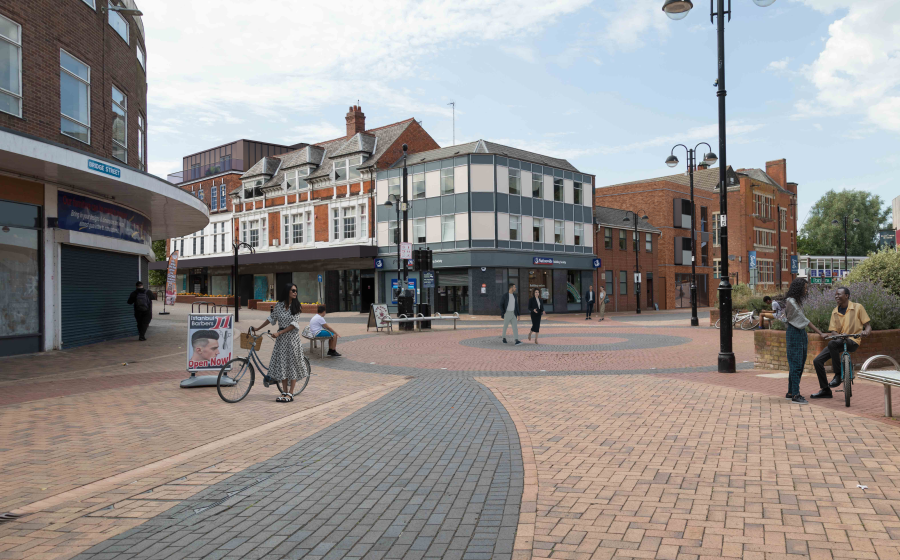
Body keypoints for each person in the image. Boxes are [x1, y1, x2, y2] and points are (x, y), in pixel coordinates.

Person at [811, 286, 872, 399]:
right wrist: (839, 335)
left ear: (846, 296)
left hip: (853, 340)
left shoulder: (858, 307)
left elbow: (868, 326)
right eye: (835, 294)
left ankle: (838, 375)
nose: (836, 296)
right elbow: (833, 331)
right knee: (817, 361)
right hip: (839, 341)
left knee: (832, 344)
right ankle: (825, 390)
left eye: (839, 294)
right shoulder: (835, 311)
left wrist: (866, 332)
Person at [252, 283, 310, 402]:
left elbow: (294, 325)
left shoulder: (297, 306)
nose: (295, 293)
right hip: (281, 341)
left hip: (292, 340)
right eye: (293, 290)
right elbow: (271, 318)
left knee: (292, 365)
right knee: (283, 365)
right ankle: (284, 391)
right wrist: (258, 328)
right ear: (287, 291)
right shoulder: (279, 305)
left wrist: (279, 333)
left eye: (296, 291)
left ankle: (291, 393)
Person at [779, 279, 825, 404]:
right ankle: (795, 394)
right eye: (804, 288)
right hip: (794, 333)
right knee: (796, 364)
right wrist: (820, 333)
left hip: (800, 333)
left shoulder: (796, 301)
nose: (806, 290)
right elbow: (804, 319)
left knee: (798, 363)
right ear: (798, 288)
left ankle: (790, 392)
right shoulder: (791, 301)